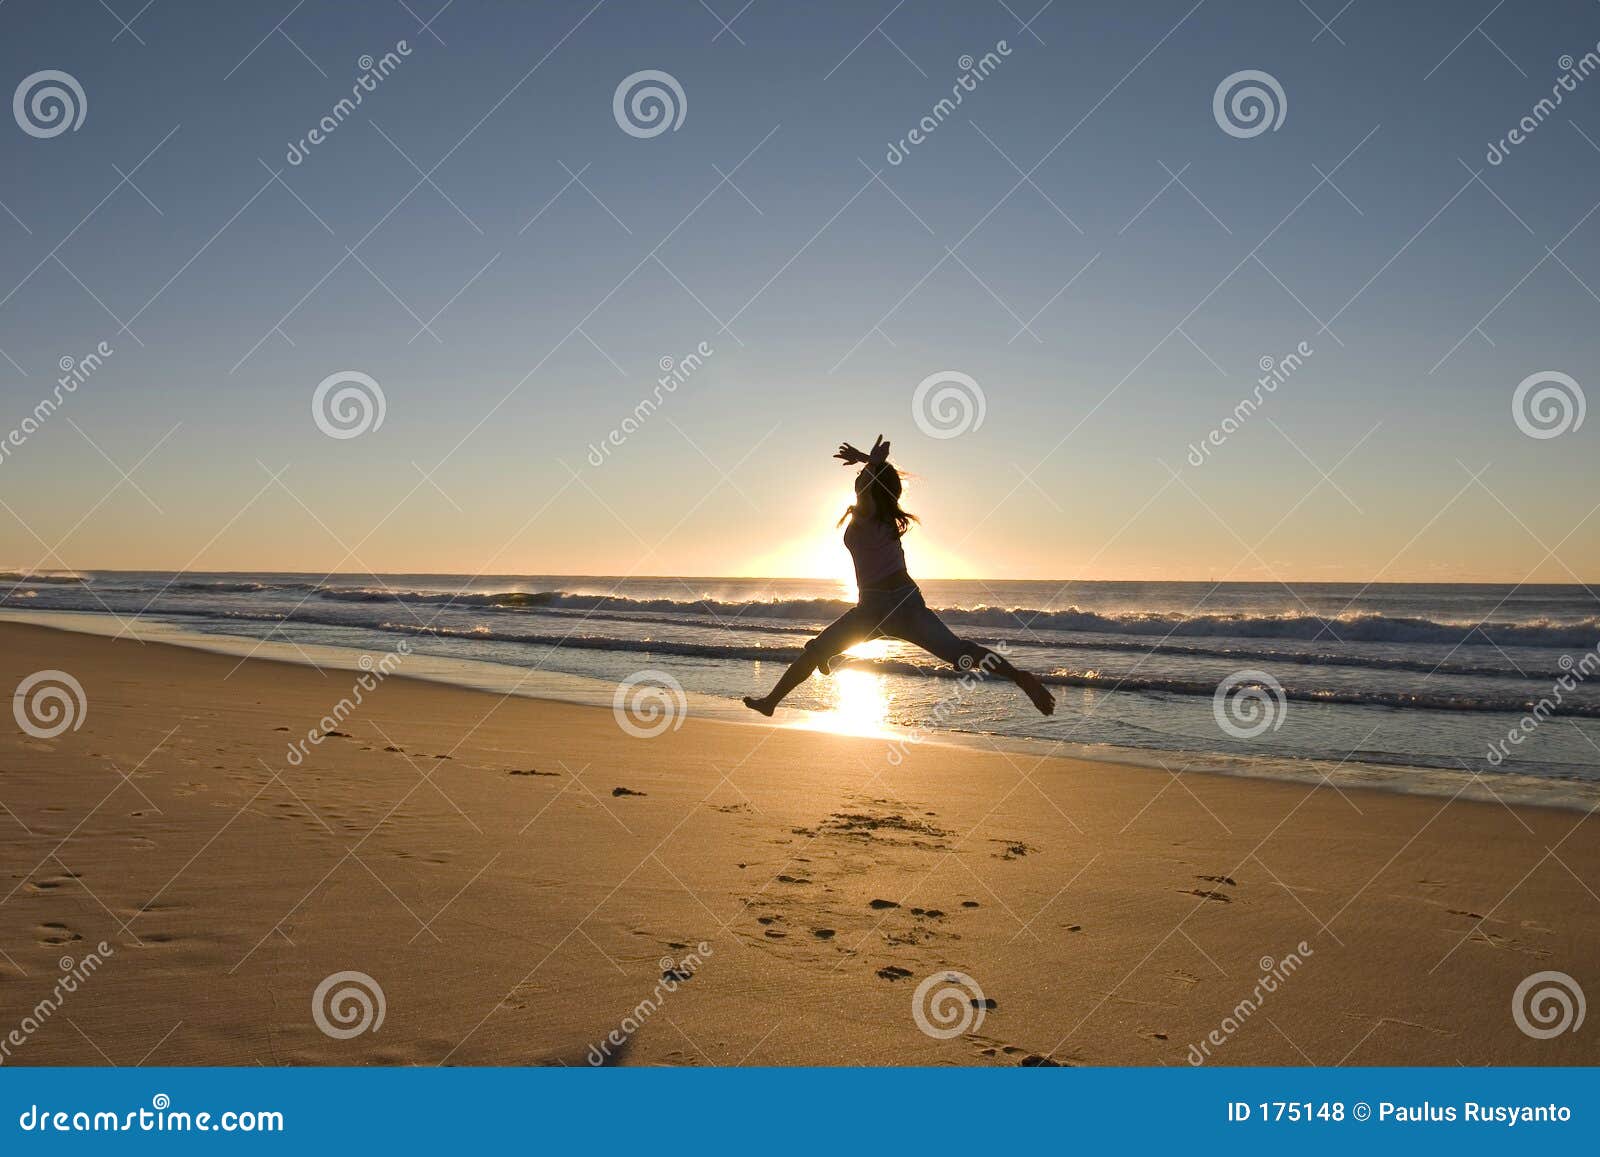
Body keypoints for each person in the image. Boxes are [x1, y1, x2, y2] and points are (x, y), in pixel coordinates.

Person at [743, 435, 1056, 717]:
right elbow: (871, 488)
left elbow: (868, 489)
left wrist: (872, 461)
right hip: (903, 603)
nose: (858, 481)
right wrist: (870, 461)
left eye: (863, 479)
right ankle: (1021, 678)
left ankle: (775, 699)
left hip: (876, 609)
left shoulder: (867, 518)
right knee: (961, 655)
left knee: (814, 652)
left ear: (870, 489)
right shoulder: (889, 519)